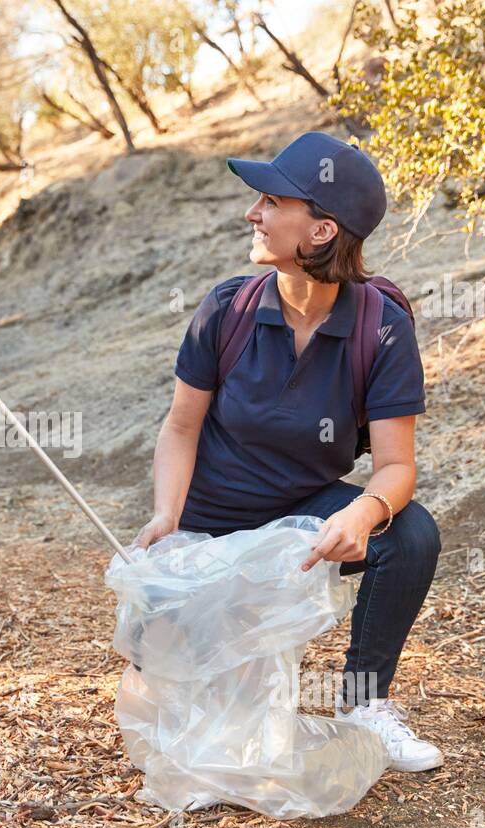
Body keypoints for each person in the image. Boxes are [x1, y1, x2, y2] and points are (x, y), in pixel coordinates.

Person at [134, 131, 444, 773]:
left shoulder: (382, 327)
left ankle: (363, 704)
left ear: (323, 230)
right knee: (180, 690)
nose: (253, 213)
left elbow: (396, 465)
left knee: (409, 535)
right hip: (210, 521)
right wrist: (167, 519)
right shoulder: (227, 309)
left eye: (272, 201)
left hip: (302, 514)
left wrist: (361, 516)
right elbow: (180, 429)